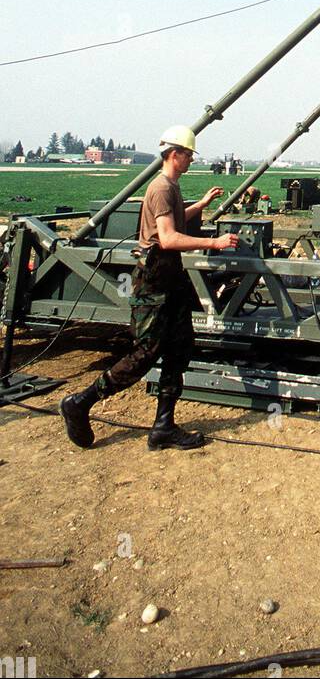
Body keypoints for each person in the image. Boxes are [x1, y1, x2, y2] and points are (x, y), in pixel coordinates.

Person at [60, 126, 240, 452]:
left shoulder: (171, 187)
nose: (190, 160)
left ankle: (163, 427)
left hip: (170, 282)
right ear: (176, 154)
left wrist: (200, 204)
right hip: (155, 283)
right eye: (188, 155)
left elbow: (172, 221)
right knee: (144, 355)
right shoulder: (161, 188)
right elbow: (168, 238)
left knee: (179, 349)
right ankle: (80, 403)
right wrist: (214, 242)